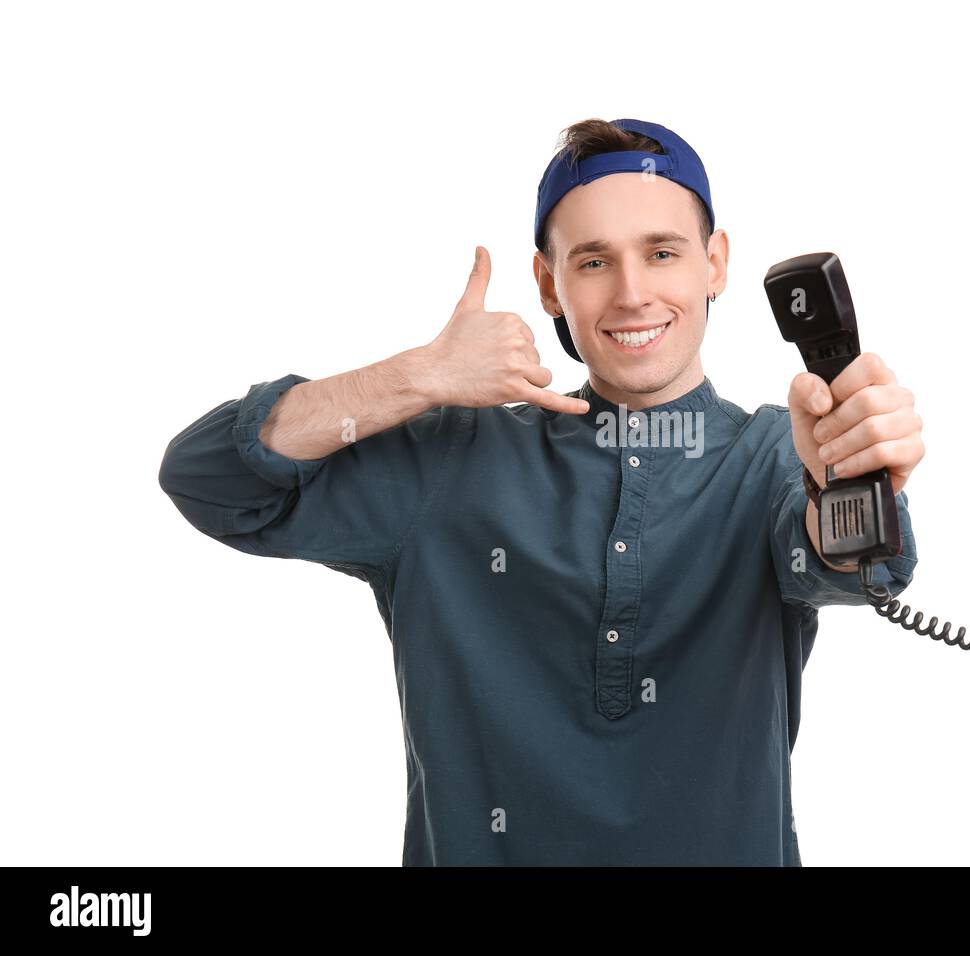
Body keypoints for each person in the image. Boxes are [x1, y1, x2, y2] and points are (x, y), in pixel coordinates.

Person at [158, 117, 925, 866]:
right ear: (547, 285)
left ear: (714, 264)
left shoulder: (773, 456)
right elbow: (208, 480)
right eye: (592, 262)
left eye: (661, 253)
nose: (631, 294)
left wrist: (844, 479)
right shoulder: (450, 458)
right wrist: (416, 377)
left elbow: (854, 567)